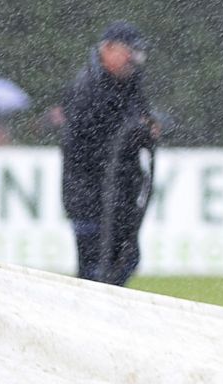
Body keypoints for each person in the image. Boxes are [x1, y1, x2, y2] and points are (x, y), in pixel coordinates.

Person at [61, 20, 160, 286]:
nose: (133, 59)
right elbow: (83, 148)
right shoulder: (86, 88)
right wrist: (131, 134)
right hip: (90, 198)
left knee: (126, 259)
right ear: (108, 49)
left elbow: (141, 118)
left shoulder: (130, 85)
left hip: (121, 196)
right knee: (96, 272)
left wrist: (149, 126)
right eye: (129, 51)